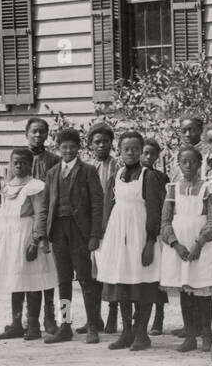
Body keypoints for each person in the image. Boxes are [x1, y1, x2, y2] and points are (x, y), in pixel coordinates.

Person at [97, 130, 167, 352]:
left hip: (141, 236)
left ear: (141, 150)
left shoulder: (149, 176)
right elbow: (109, 210)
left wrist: (149, 242)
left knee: (142, 283)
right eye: (126, 149)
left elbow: (155, 211)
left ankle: (141, 333)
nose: (131, 153)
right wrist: (106, 238)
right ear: (120, 150)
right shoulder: (115, 177)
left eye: (135, 149)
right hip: (119, 237)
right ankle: (126, 332)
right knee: (122, 284)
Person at [160, 144, 212, 352]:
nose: (188, 166)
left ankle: (206, 335)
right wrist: (175, 244)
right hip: (179, 247)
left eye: (193, 162)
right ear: (178, 164)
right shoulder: (172, 188)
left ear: (200, 164)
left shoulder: (209, 187)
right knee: (185, 292)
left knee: (202, 291)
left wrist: (199, 243)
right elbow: (165, 221)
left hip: (203, 246)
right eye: (184, 162)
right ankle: (190, 336)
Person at [43, 128, 104, 345]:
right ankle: (65, 326)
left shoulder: (87, 171)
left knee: (86, 280)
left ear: (78, 148)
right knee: (63, 280)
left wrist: (95, 234)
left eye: (72, 146)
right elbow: (45, 205)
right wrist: (43, 234)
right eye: (63, 147)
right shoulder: (52, 173)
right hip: (58, 231)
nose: (68, 150)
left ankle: (93, 326)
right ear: (58, 149)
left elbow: (97, 204)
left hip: (80, 231)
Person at [0, 147, 58, 342]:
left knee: (32, 281)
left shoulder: (36, 186)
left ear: (31, 165)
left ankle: (34, 325)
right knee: (16, 281)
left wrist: (35, 240)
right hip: (11, 237)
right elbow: (3, 213)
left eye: (23, 163)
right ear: (11, 165)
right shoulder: (8, 186)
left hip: (27, 235)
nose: (19, 166)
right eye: (15, 163)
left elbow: (40, 214)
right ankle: (16, 324)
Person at [23, 117, 61, 335]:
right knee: (30, 271)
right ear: (26, 133)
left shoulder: (54, 160)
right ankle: (31, 320)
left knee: (49, 271)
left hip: (48, 221)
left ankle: (51, 317)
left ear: (47, 135)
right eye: (34, 132)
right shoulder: (20, 158)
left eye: (42, 132)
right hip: (27, 221)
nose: (38, 136)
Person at [86, 121, 120, 336]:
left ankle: (112, 316)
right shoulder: (86, 167)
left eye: (105, 142)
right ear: (90, 144)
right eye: (97, 142)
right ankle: (92, 318)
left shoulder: (117, 167)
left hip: (110, 225)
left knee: (111, 272)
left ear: (111, 144)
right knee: (89, 275)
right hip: (88, 227)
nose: (101, 146)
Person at [141, 137, 170, 335]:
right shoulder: (131, 174)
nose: (148, 157)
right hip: (135, 229)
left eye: (152, 153)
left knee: (156, 276)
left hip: (155, 231)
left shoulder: (161, 177)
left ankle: (158, 317)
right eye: (145, 152)